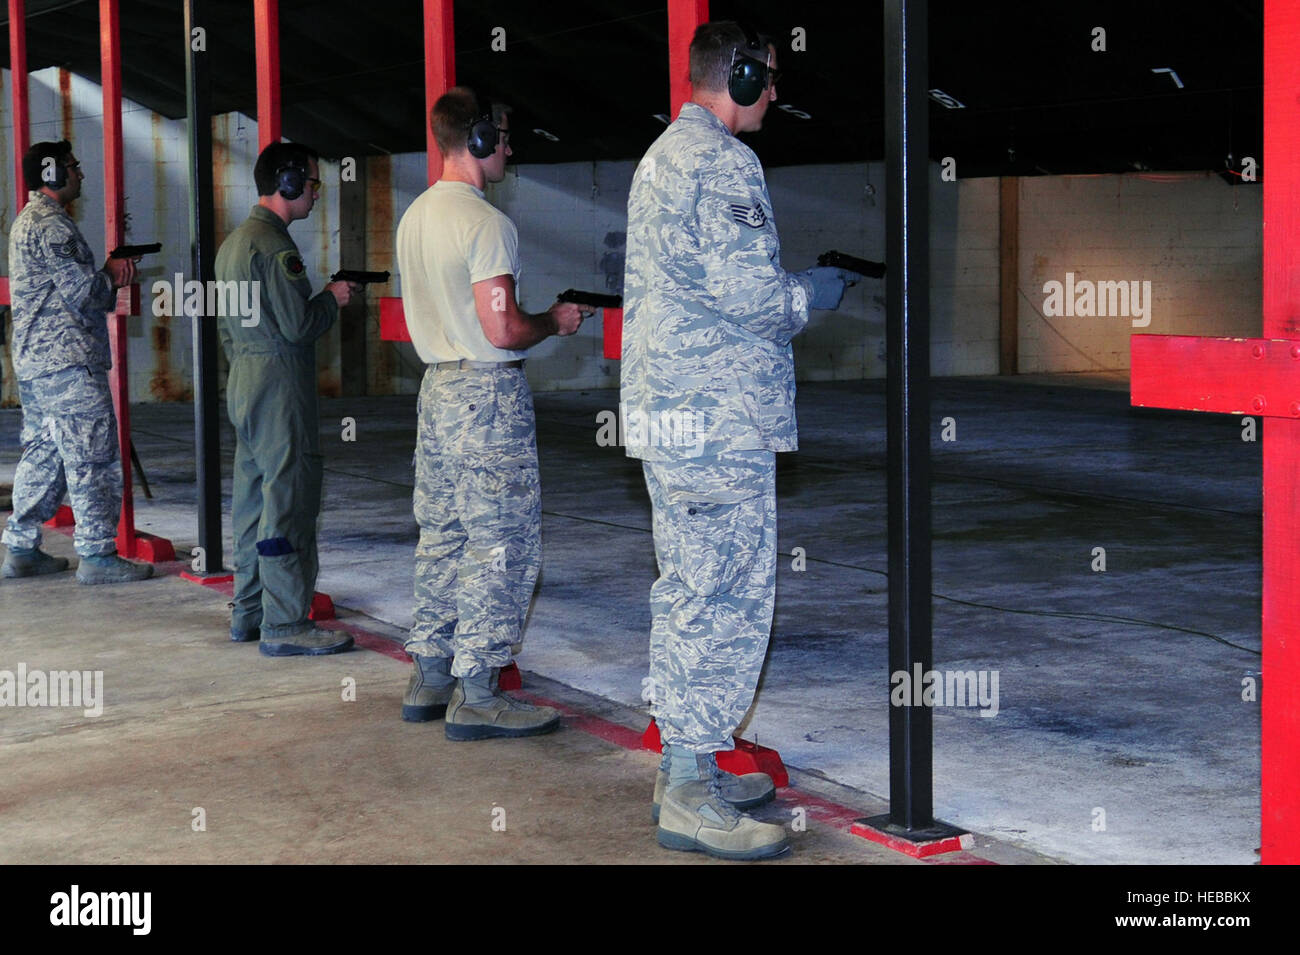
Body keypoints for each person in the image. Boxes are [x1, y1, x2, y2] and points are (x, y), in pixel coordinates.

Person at [621, 22, 848, 860]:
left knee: (690, 584)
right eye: (770, 78)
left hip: (673, 411)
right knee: (723, 598)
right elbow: (754, 299)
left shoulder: (660, 157)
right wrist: (811, 296)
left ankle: (686, 766)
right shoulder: (724, 162)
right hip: (716, 421)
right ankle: (689, 787)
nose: (776, 94)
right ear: (741, 76)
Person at [395, 87, 591, 740]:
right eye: (502, 135)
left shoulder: (415, 216)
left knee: (443, 535)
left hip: (437, 394)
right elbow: (503, 327)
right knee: (499, 543)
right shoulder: (486, 224)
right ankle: (479, 688)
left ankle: (430, 672)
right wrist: (554, 321)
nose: (510, 146)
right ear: (476, 141)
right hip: (487, 397)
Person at [214, 142, 358, 657]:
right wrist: (332, 300)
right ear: (290, 182)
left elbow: (228, 333)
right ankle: (286, 622)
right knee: (288, 500)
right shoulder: (276, 249)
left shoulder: (233, 244)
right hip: (279, 386)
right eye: (313, 183)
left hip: (245, 382)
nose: (317, 193)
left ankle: (249, 610)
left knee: (252, 502)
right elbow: (298, 325)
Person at [2, 140, 154, 585]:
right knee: (92, 456)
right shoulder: (53, 226)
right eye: (73, 166)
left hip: (38, 362)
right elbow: (85, 292)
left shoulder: (27, 221)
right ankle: (97, 555)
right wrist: (112, 274)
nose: (80, 173)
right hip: (66, 362)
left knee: (44, 455)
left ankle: (21, 546)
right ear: (52, 173)